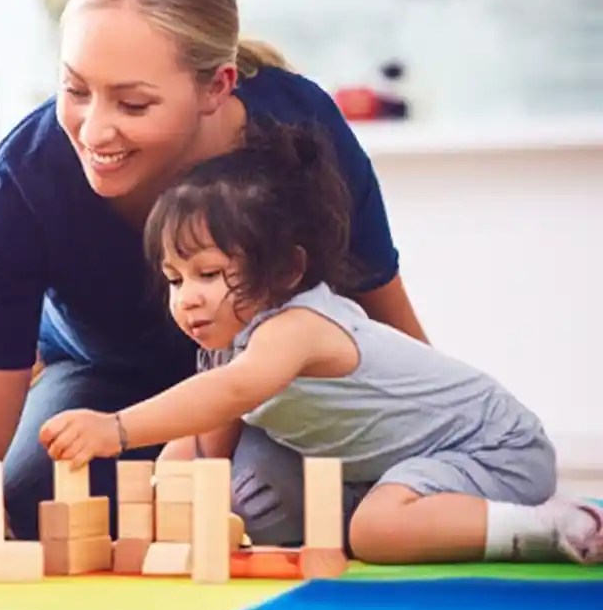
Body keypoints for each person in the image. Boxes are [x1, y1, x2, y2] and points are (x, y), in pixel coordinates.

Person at [0, 0, 431, 543]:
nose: (94, 128)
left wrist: (440, 453)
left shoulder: (301, 132)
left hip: (266, 383)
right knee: (35, 498)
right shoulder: (24, 178)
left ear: (216, 87)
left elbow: (387, 326)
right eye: (74, 89)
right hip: (103, 378)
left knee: (255, 500)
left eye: (133, 103)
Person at [39, 121, 603, 565]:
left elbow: (230, 391)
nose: (186, 298)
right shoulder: (224, 341)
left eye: (208, 275)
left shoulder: (296, 329)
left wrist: (115, 428)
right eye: (174, 279)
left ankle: (548, 526)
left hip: (492, 448)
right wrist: (158, 507)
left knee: (376, 532)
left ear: (286, 271)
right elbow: (206, 446)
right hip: (402, 464)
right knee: (261, 497)